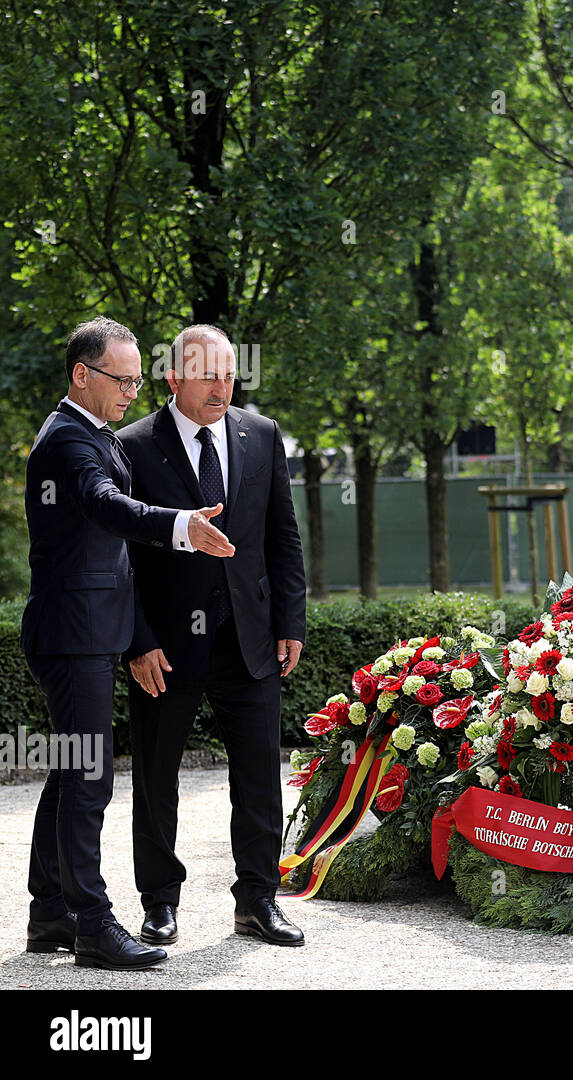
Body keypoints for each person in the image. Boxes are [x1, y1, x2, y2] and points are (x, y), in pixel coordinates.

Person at [23, 315, 235, 971]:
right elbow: (107, 506)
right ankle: (92, 924)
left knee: (69, 771)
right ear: (82, 375)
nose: (133, 392)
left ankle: (49, 911)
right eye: (122, 379)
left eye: (140, 379)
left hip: (87, 631)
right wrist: (181, 525)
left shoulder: (92, 433)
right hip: (73, 634)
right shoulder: (69, 444)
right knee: (88, 778)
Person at [120, 324, 307, 947]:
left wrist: (289, 622)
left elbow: (282, 536)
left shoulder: (261, 435)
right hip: (165, 648)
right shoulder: (132, 446)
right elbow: (121, 558)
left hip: (249, 637)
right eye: (207, 374)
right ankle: (159, 901)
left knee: (258, 773)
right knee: (156, 774)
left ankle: (257, 899)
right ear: (174, 377)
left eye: (229, 374)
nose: (221, 386)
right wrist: (137, 640)